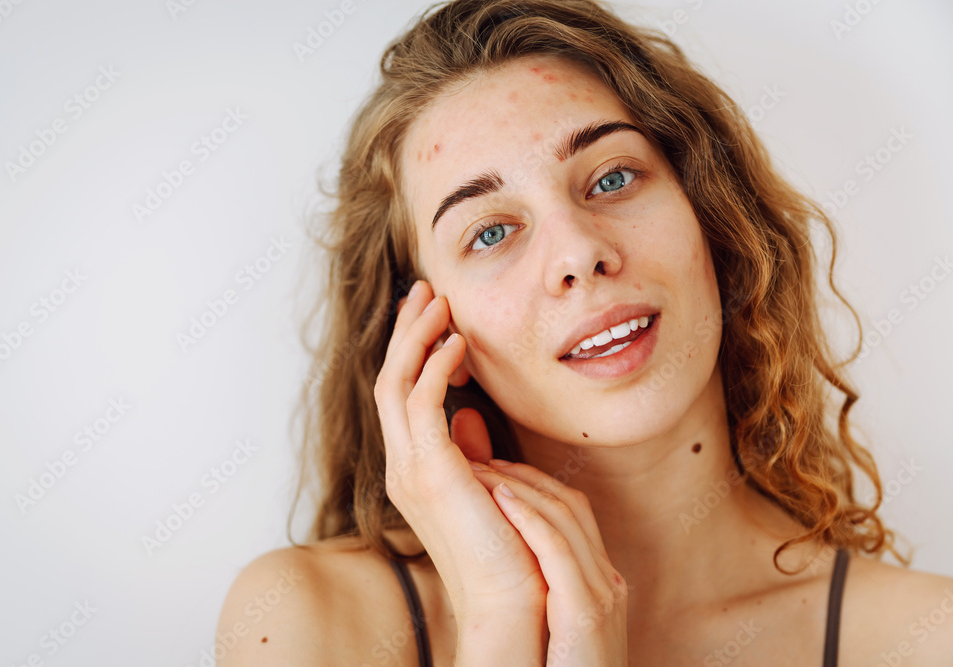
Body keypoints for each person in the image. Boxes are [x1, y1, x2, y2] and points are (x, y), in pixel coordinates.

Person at [216, 1, 953, 664]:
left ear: (714, 224)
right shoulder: (303, 622)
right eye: (491, 231)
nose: (577, 253)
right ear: (431, 333)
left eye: (611, 179)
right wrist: (502, 621)